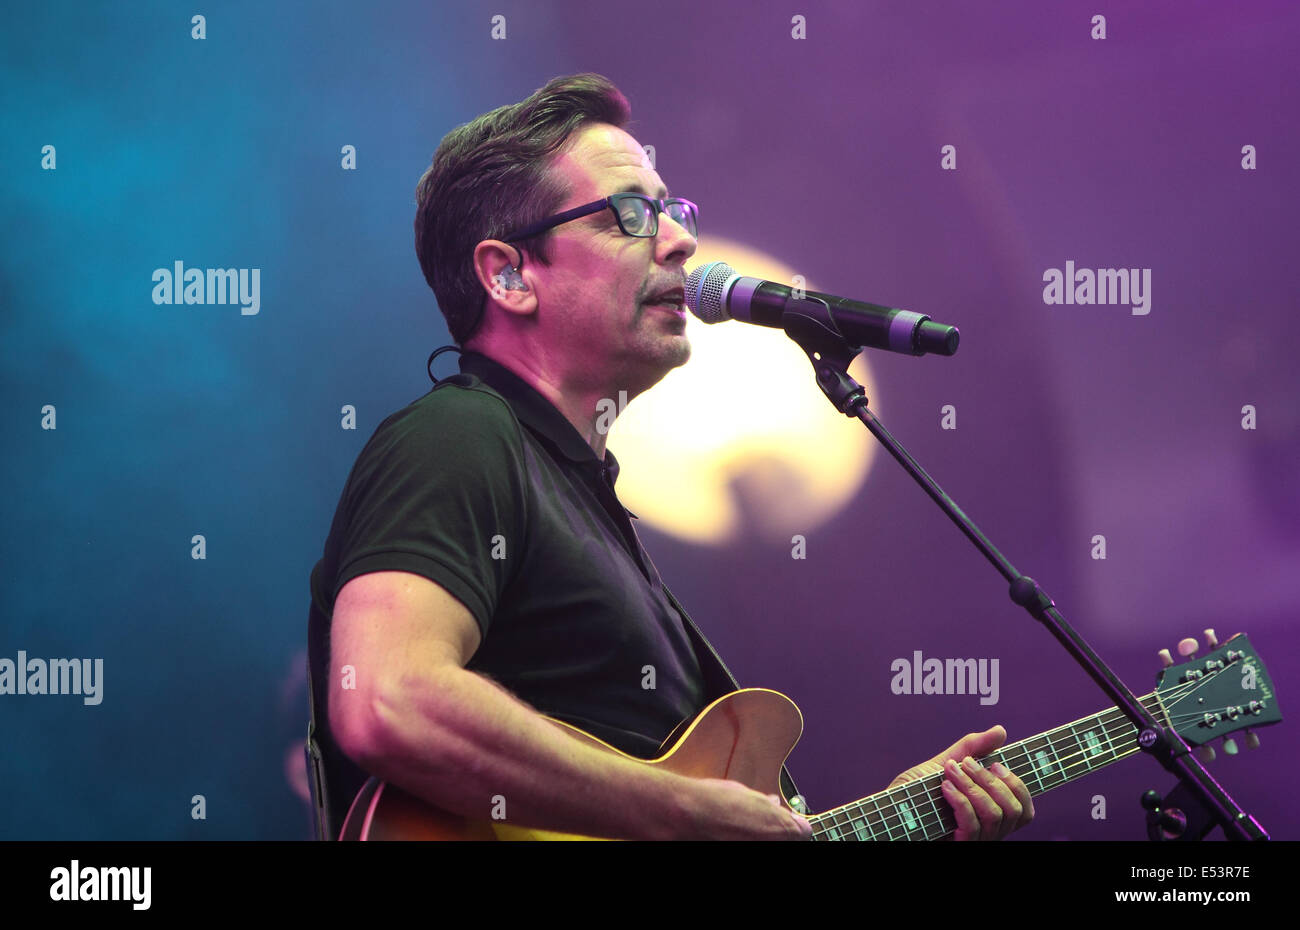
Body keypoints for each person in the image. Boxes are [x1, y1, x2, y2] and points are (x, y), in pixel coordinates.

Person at [305, 72, 1035, 841]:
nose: (682, 240)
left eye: (673, 210)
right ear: (510, 274)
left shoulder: (584, 497)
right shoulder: (458, 435)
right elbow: (388, 699)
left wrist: (905, 814)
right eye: (630, 213)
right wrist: (683, 810)